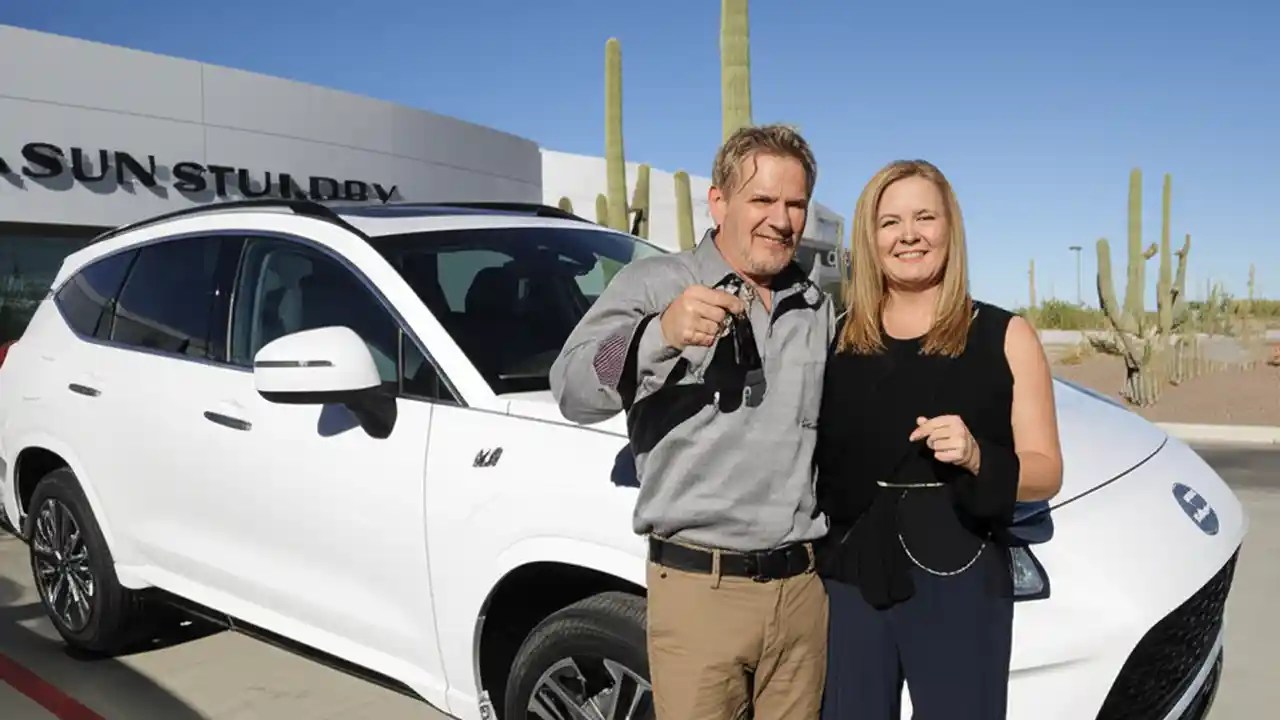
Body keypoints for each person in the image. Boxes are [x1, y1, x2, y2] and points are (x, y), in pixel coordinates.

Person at [550, 123, 835, 719]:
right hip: (703, 593)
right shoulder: (657, 284)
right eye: (762, 200)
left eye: (795, 204)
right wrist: (659, 335)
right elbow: (572, 385)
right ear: (718, 201)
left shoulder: (814, 306)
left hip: (803, 594)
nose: (781, 220)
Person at [813, 159, 1064, 719]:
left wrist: (978, 456)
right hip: (850, 581)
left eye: (925, 217)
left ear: (950, 228)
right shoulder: (837, 338)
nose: (908, 235)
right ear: (868, 236)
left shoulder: (1005, 335)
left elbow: (1047, 469)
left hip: (962, 581)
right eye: (890, 222)